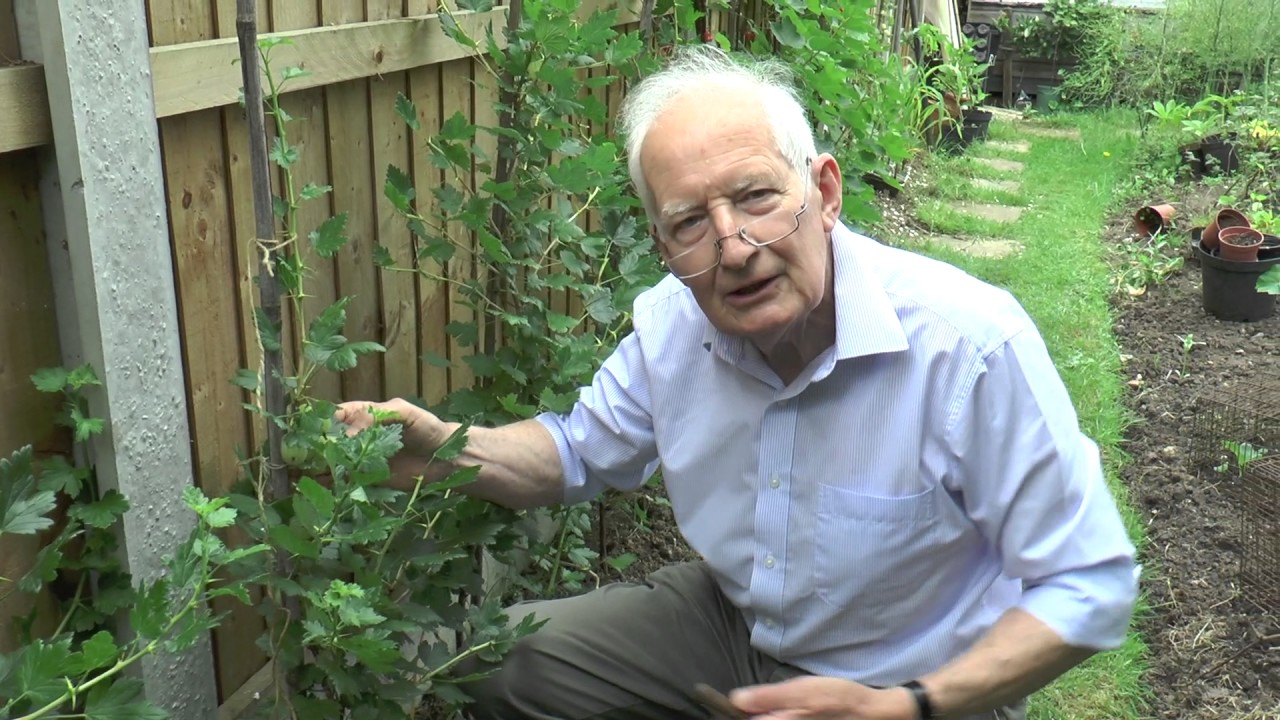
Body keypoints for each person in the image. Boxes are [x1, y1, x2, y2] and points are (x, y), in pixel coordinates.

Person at [337, 45, 1139, 720]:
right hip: (737, 625)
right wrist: (449, 452)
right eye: (690, 221)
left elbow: (1088, 580)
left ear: (824, 193)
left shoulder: (968, 345)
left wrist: (911, 705)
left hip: (913, 686)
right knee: (499, 660)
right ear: (662, 245)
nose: (733, 246)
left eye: (756, 197)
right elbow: (578, 452)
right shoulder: (670, 328)